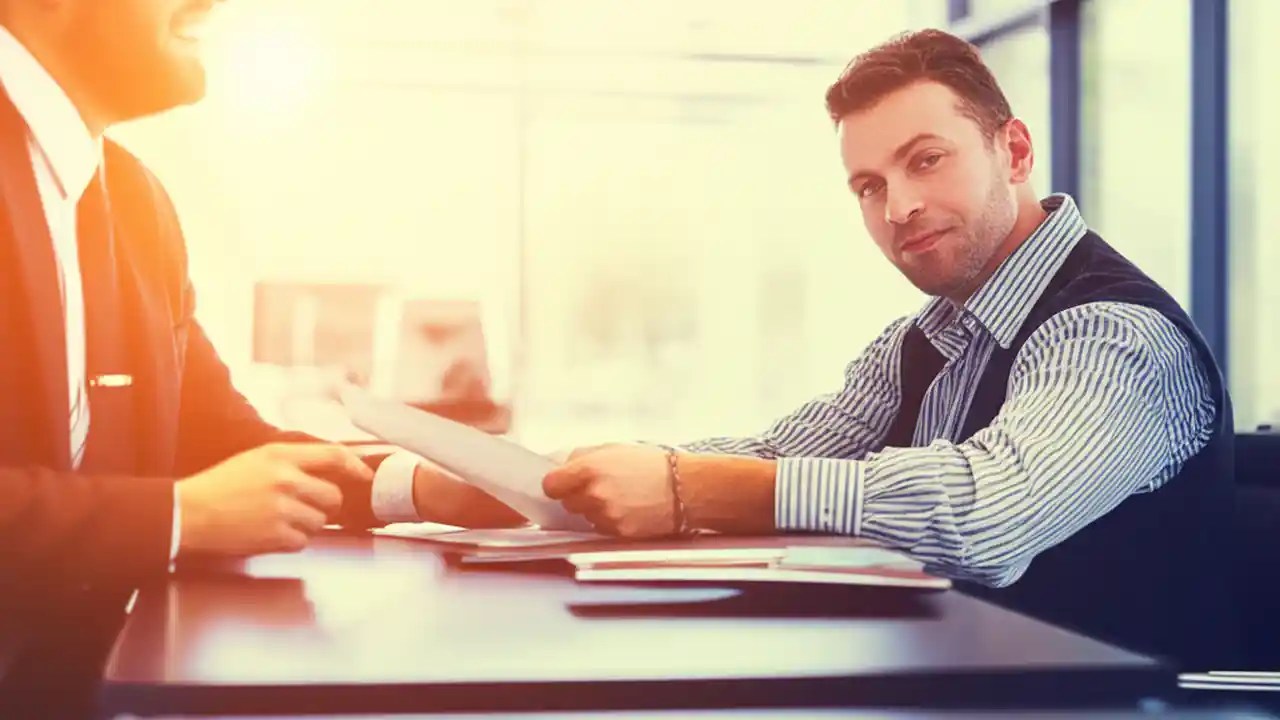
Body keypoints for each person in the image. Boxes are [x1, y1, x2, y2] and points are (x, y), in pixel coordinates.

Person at [532, 29, 1237, 666]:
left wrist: (687, 488)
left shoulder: (1114, 334)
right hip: (951, 688)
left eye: (926, 161)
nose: (899, 208)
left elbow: (985, 516)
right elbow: (781, 456)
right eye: (870, 187)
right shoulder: (922, 341)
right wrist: (541, 480)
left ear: (1015, 152)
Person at [0, 0, 519, 713]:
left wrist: (418, 486)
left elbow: (211, 442)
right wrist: (178, 516)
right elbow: (197, 496)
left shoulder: (133, 202)